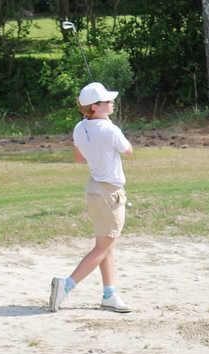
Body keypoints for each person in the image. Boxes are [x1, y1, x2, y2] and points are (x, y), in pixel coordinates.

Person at [49, 82, 135, 313]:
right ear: (95, 107)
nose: (112, 102)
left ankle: (110, 294)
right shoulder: (110, 130)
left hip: (94, 189)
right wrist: (109, 129)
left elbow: (79, 158)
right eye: (107, 101)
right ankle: (66, 286)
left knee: (107, 245)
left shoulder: (80, 127)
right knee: (103, 247)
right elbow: (128, 151)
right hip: (109, 193)